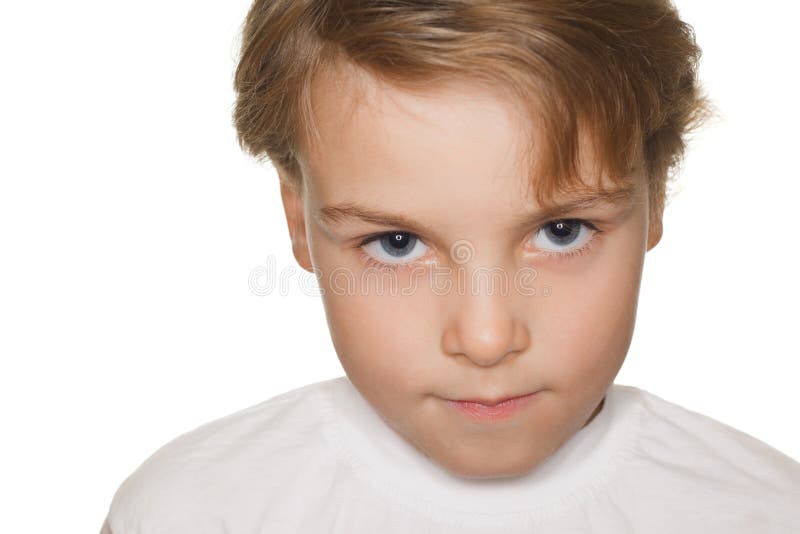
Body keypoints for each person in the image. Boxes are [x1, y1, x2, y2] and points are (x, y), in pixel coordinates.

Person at [100, 0, 800, 532]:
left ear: (655, 199)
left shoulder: (764, 513)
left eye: (561, 231)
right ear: (298, 221)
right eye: (397, 244)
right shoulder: (194, 513)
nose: (487, 338)